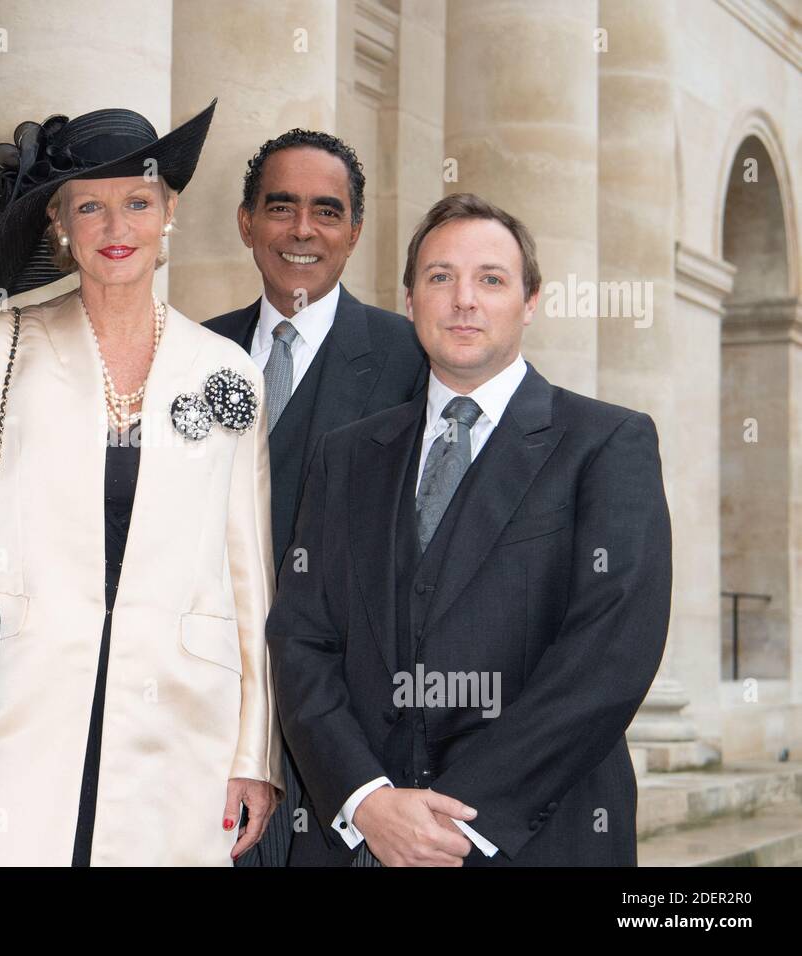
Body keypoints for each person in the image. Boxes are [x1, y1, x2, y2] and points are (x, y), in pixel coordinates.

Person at [0, 100, 284, 866]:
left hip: (181, 724)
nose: (115, 226)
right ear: (60, 226)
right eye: (89, 207)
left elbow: (248, 581)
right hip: (14, 713)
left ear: (169, 212)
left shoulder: (226, 374)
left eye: (137, 201)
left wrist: (253, 751)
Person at [268, 192, 672, 866]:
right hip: (362, 842)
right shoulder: (344, 455)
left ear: (531, 300)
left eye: (490, 279)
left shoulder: (607, 444)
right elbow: (301, 637)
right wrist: (367, 798)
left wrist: (456, 820)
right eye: (440, 277)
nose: (464, 300)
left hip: (535, 838)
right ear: (409, 300)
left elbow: (610, 654)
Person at [205, 129, 426, 866]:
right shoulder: (194, 355)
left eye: (327, 211)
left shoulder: (412, 359)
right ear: (246, 222)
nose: (303, 230)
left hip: (353, 738)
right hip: (212, 725)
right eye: (281, 207)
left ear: (355, 231)